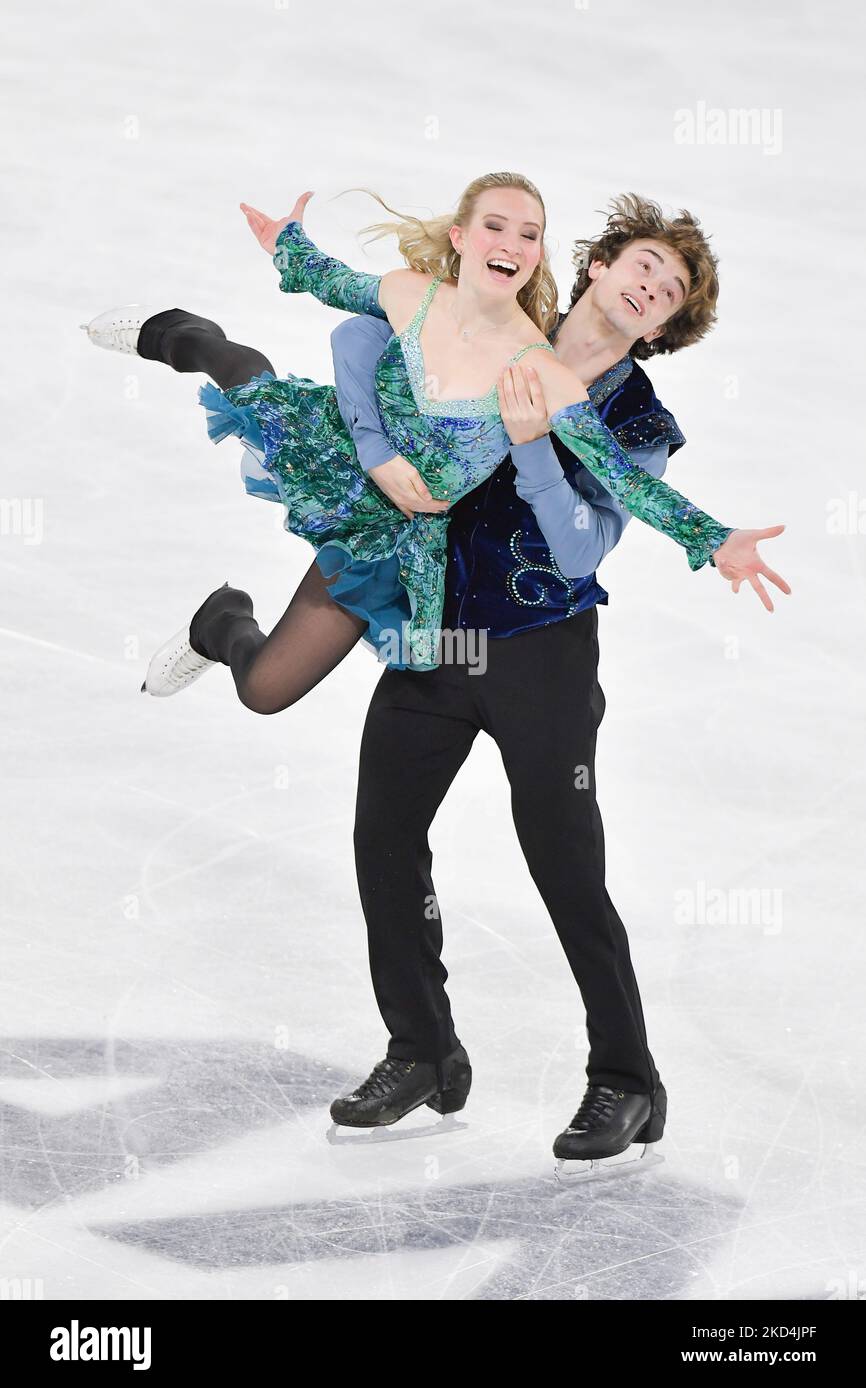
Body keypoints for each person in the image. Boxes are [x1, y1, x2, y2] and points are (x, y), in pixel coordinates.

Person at [82, 174, 789, 1158]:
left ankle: (626, 1078)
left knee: (564, 868)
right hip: (435, 624)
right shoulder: (508, 316)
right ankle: (421, 1049)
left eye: (666, 292)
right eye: (641, 266)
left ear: (666, 326)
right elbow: (369, 324)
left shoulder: (633, 420)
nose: (646, 288)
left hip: (540, 653)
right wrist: (362, 420)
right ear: (595, 265)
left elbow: (586, 547)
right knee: (383, 834)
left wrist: (689, 528)